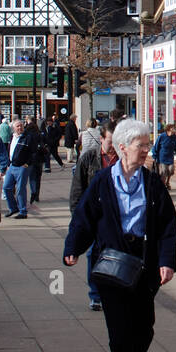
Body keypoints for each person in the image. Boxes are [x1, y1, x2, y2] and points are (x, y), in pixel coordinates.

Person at [64, 120, 176, 352]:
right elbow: (84, 217)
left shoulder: (152, 184)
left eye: (147, 144)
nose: (146, 150)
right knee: (118, 333)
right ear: (123, 147)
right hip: (112, 266)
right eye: (141, 145)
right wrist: (73, 248)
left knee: (144, 327)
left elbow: (167, 225)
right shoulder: (102, 182)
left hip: (144, 264)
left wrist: (166, 261)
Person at [71, 118, 118, 311]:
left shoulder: (124, 160)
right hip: (94, 216)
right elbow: (77, 188)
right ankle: (96, 294)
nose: (113, 146)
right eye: (109, 141)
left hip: (116, 217)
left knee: (116, 256)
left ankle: (114, 292)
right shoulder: (89, 158)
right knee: (93, 254)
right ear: (101, 139)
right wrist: (77, 217)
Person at [3, 118, 33, 219]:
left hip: (22, 167)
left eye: (21, 126)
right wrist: (7, 164)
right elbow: (9, 151)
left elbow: (34, 152)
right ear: (13, 128)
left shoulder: (27, 138)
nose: (20, 128)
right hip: (11, 166)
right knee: (6, 187)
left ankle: (23, 211)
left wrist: (27, 164)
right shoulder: (12, 137)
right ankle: (13, 208)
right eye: (17, 126)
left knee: (20, 189)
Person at [27, 117, 48, 203]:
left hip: (31, 158)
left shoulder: (27, 136)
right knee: (38, 177)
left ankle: (33, 192)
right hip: (40, 158)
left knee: (32, 177)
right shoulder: (40, 134)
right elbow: (46, 142)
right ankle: (37, 195)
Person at [153, 123, 176, 190]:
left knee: (171, 170)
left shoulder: (174, 137)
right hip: (162, 157)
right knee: (164, 172)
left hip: (170, 157)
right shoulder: (162, 136)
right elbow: (156, 146)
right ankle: (163, 186)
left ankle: (167, 182)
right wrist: (154, 155)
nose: (175, 130)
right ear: (169, 129)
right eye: (173, 128)